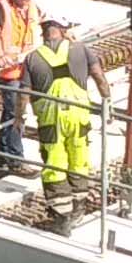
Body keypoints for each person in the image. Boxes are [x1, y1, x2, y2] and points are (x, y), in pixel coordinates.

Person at [33, 13, 101, 225]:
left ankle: (61, 219)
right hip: (79, 117)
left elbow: (24, 93)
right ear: (64, 30)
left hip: (51, 120)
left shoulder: (33, 57)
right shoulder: (82, 50)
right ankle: (78, 209)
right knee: (79, 158)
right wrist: (107, 102)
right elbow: (100, 77)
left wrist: (18, 118)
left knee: (55, 164)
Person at [0, 0, 43, 169]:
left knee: (10, 112)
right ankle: (16, 159)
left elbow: (41, 20)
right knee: (17, 110)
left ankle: (2, 155)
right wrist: (0, 55)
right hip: (7, 70)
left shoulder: (30, 4)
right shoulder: (1, 4)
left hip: (25, 66)